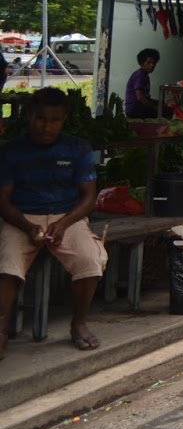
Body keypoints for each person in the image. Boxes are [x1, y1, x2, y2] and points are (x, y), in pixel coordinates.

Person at [0, 88, 103, 354]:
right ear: (29, 117)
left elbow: (88, 197)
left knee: (89, 260)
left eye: (54, 120)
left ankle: (79, 323)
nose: (47, 126)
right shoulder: (12, 151)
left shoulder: (78, 148)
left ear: (64, 119)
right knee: (8, 264)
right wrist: (28, 226)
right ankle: (1, 330)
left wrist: (64, 223)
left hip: (66, 217)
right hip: (21, 217)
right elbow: (3, 201)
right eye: (40, 119)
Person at [124, 48, 160, 117]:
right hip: (134, 110)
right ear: (142, 63)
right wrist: (155, 107)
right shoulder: (140, 75)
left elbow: (145, 97)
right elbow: (140, 97)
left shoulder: (145, 75)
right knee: (164, 112)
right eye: (149, 62)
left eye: (154, 63)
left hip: (139, 108)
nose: (152, 65)